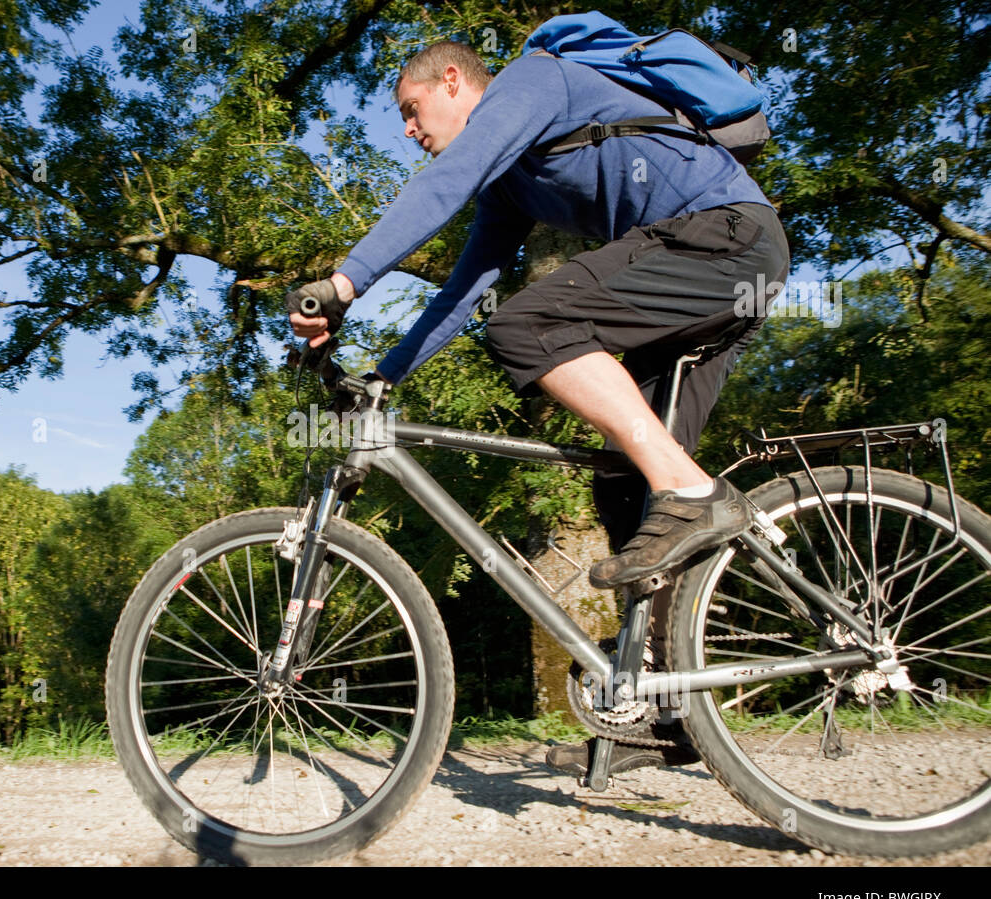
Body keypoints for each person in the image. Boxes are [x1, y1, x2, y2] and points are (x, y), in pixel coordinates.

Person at [287, 39, 789, 775]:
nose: (407, 129)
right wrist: (386, 374)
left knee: (528, 326)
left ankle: (695, 492)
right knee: (625, 482)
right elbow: (463, 290)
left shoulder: (532, 80)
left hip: (724, 241)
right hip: (711, 273)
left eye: (410, 110)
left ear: (452, 80)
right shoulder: (511, 184)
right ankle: (664, 713)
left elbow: (443, 182)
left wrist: (344, 282)